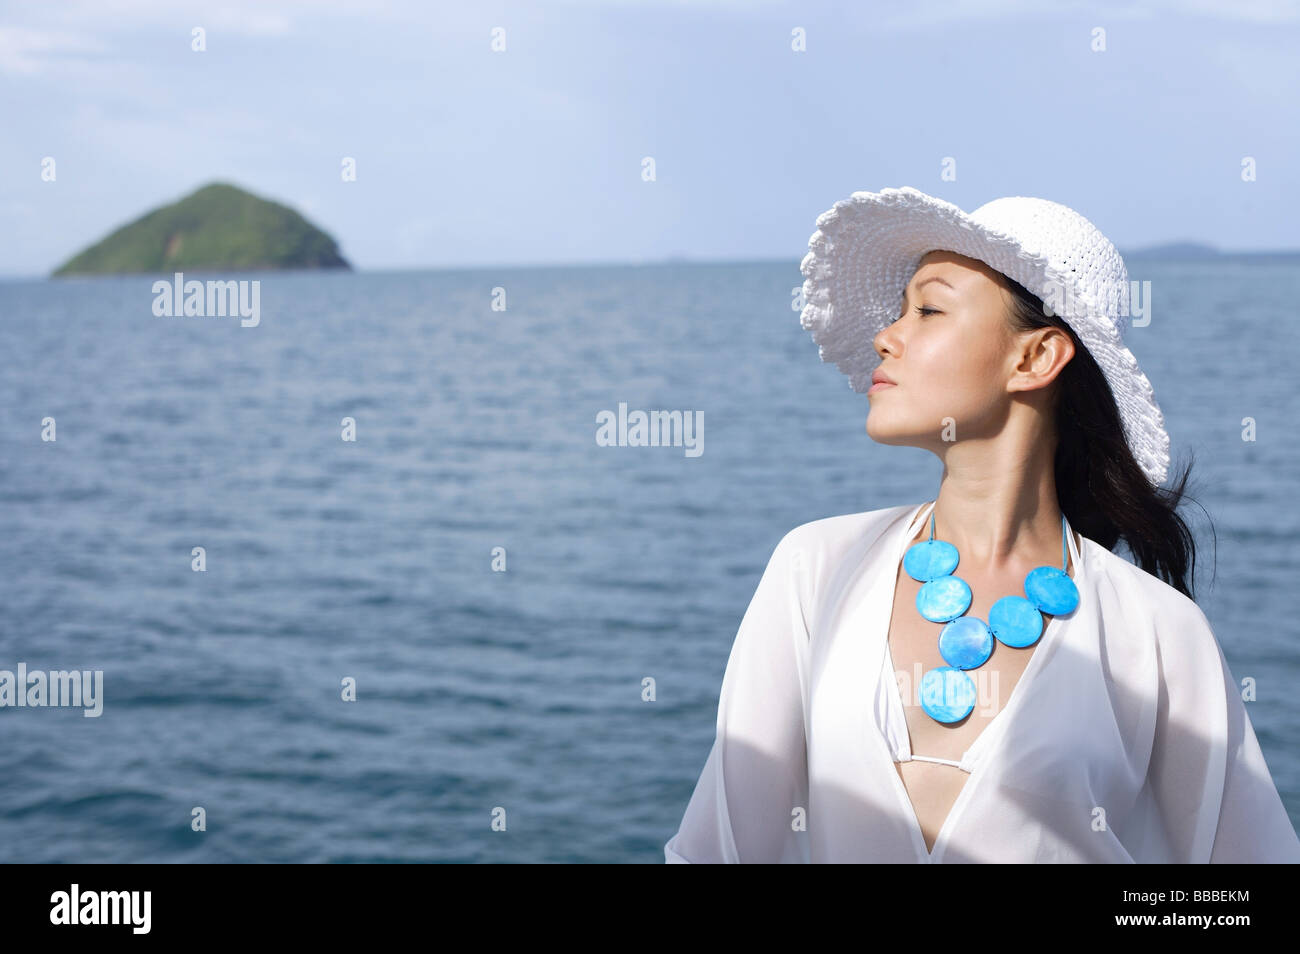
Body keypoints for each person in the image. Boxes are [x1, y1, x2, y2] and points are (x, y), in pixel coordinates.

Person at [663, 187, 1300, 863]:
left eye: (929, 309)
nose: (887, 335)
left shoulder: (1158, 633)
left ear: (1035, 358)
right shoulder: (816, 568)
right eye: (899, 310)